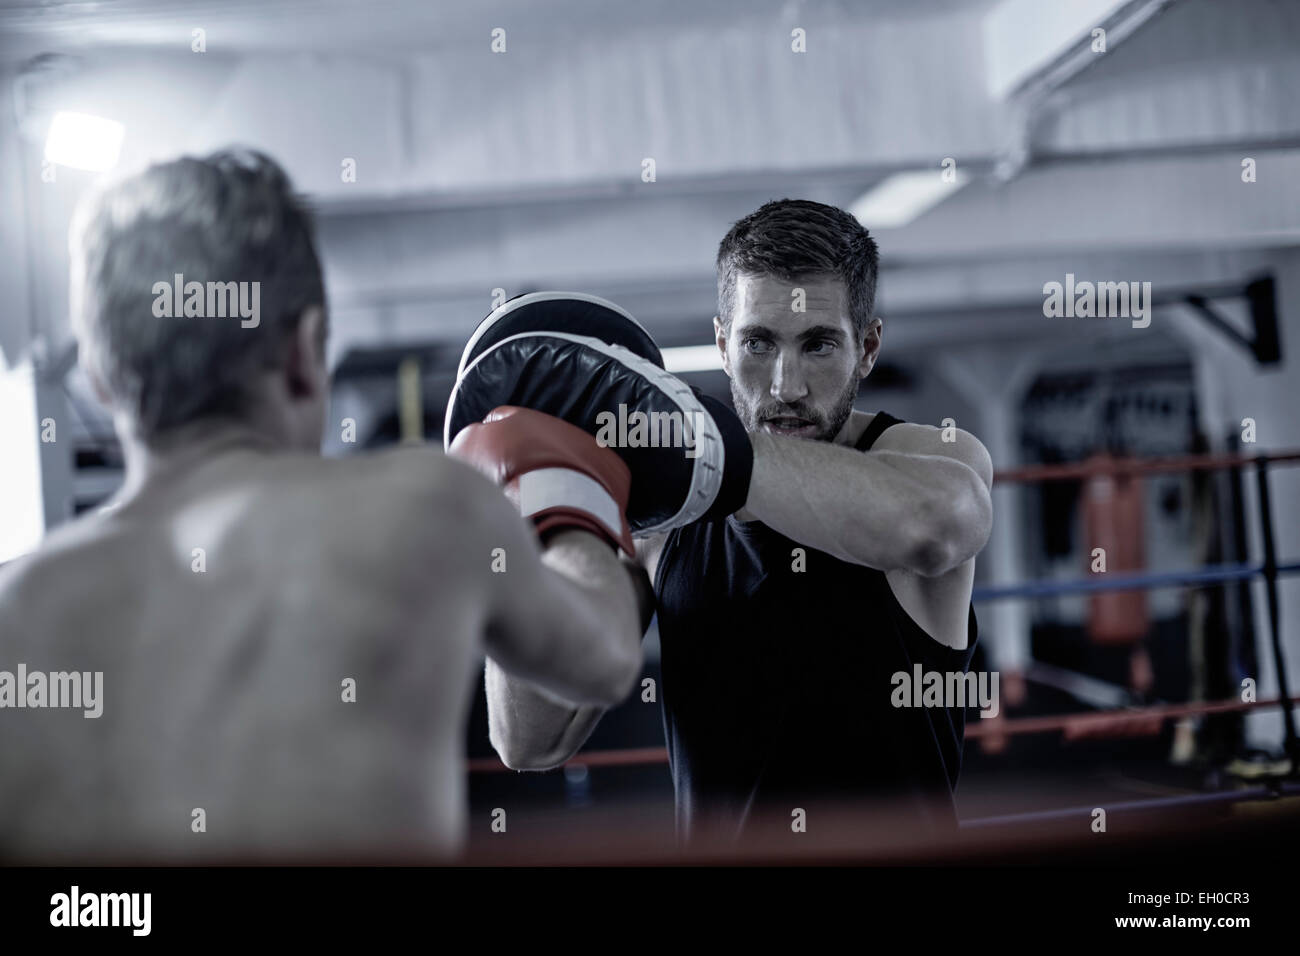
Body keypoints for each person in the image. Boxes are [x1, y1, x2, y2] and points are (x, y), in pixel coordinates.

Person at [0, 150, 650, 862]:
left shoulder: (18, 607)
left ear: (97, 378)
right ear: (305, 352)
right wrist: (567, 488)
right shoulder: (424, 509)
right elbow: (607, 659)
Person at [484, 200, 994, 844]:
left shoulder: (932, 458)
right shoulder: (661, 520)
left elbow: (929, 528)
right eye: (759, 343)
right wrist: (539, 514)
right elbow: (529, 740)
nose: (786, 385)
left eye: (818, 345)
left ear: (866, 348)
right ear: (723, 345)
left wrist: (697, 443)